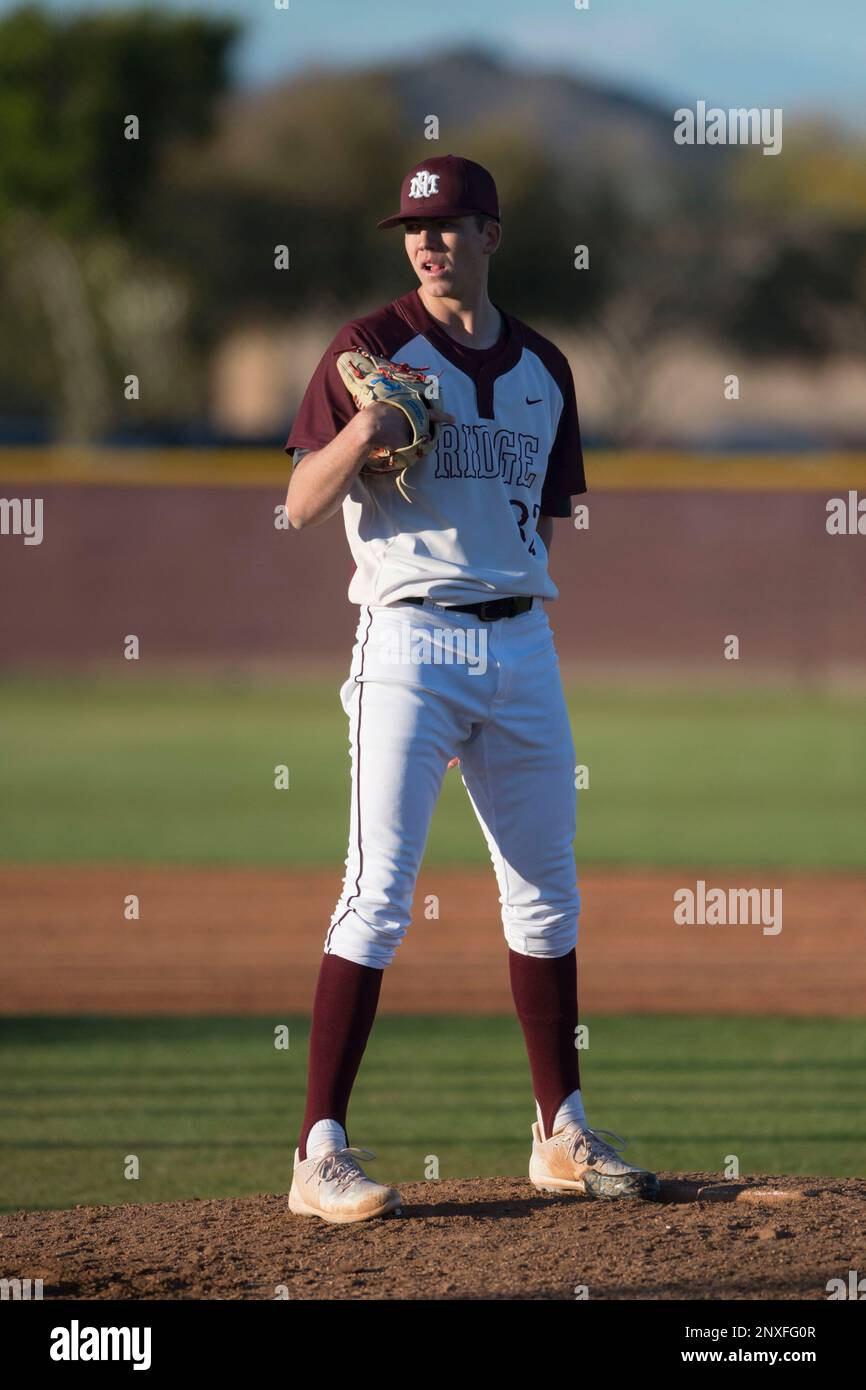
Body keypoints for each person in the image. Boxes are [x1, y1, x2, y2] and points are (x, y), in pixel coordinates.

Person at [284, 154, 659, 1224]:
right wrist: (363, 431)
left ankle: (558, 1131)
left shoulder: (545, 366)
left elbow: (536, 519)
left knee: (546, 894)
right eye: (413, 226)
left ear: (491, 234)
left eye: (448, 223)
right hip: (406, 641)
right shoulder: (366, 351)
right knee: (378, 894)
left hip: (521, 644)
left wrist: (509, 603)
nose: (427, 240)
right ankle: (318, 1153)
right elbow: (300, 502)